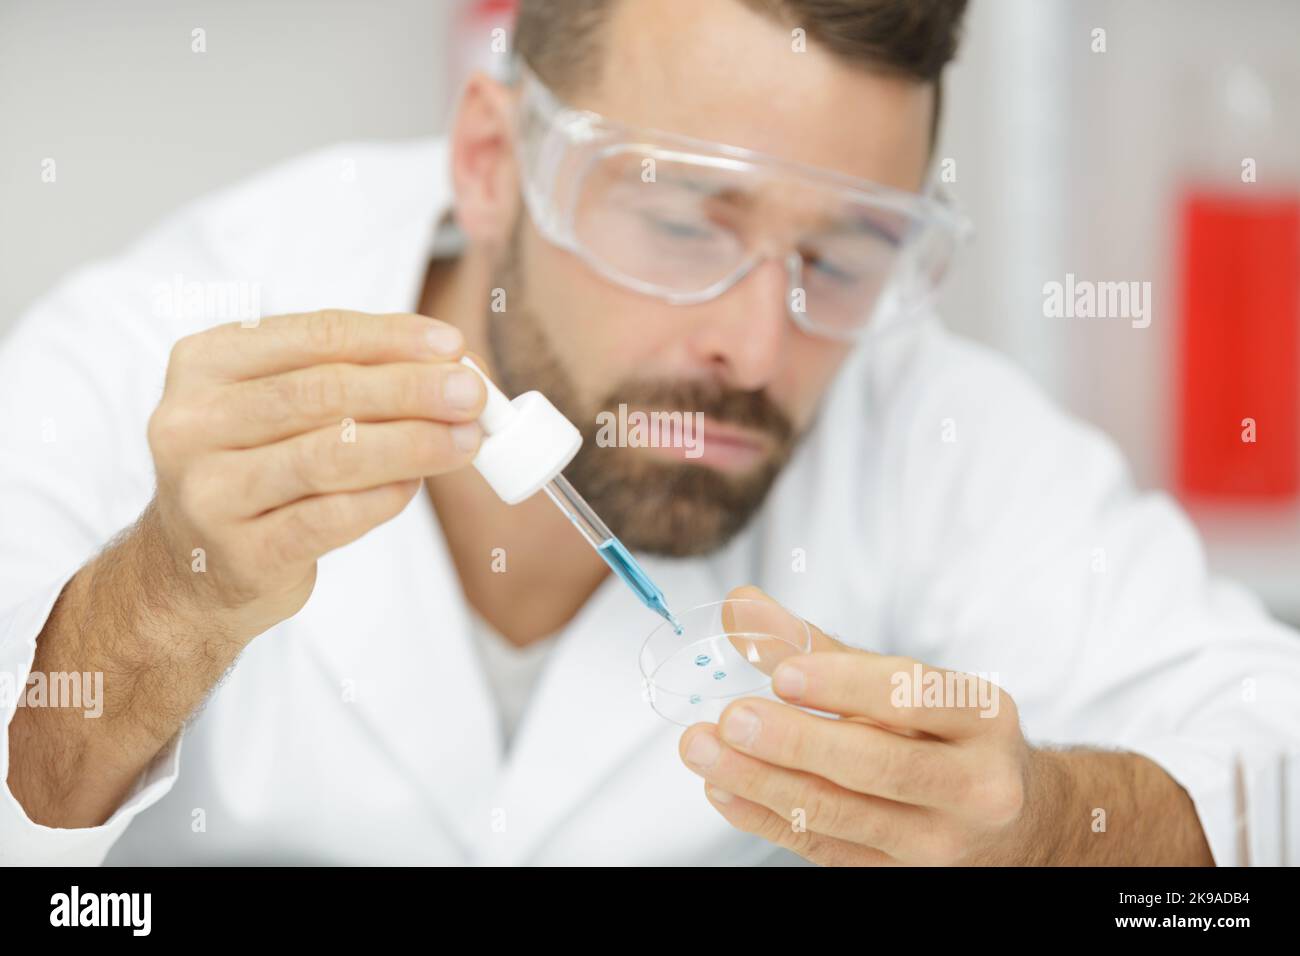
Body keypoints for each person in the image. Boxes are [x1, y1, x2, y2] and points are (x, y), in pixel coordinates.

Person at [2, 0, 1296, 866]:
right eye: (684, 222)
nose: (757, 342)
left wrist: (1047, 827)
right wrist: (165, 599)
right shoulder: (177, 337)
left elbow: (1264, 751)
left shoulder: (920, 423)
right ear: (494, 162)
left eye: (845, 251)